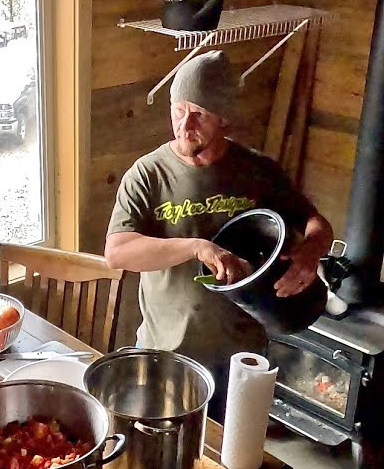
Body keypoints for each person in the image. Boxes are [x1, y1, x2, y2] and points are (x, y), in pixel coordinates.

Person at [104, 50, 334, 421]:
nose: (185, 125)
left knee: (235, 454)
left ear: (223, 117)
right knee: (167, 452)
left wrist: (310, 253)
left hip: (242, 356)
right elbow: (117, 252)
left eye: (199, 114)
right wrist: (197, 247)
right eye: (178, 110)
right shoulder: (148, 175)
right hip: (167, 354)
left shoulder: (257, 171)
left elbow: (315, 223)